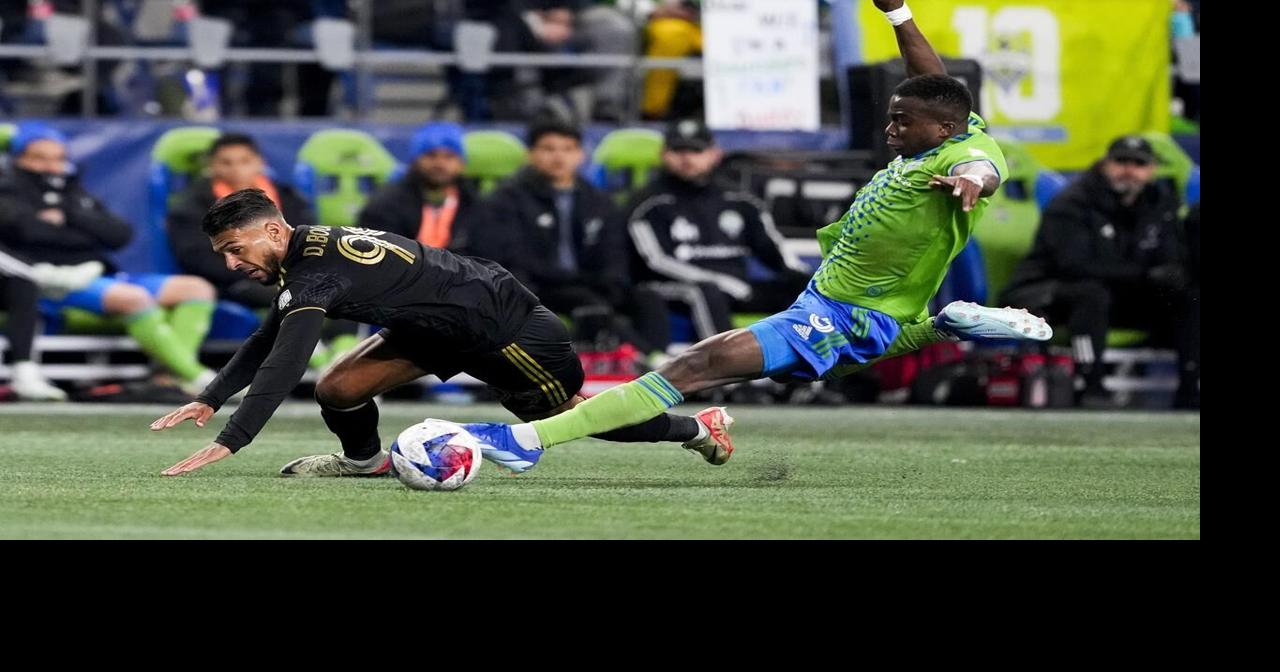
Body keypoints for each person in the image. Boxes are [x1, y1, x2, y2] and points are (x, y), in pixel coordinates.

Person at [459, 0, 1054, 474]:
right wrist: (897, 14)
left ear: (944, 131)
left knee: (696, 364)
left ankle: (526, 440)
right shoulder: (951, 124)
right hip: (836, 304)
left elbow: (985, 169)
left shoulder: (967, 154)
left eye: (903, 121)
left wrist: (976, 178)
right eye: (892, 115)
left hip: (847, 312)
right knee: (803, 368)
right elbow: (935, 80)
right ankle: (941, 325)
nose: (890, 128)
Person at [151, 189, 716, 477]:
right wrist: (210, 398)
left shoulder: (314, 272)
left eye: (234, 249)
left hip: (505, 330)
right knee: (339, 388)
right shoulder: (303, 257)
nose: (230, 263)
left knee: (567, 418)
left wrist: (233, 438)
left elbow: (284, 362)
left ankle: (695, 427)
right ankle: (364, 461)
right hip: (434, 325)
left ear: (273, 231)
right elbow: (268, 338)